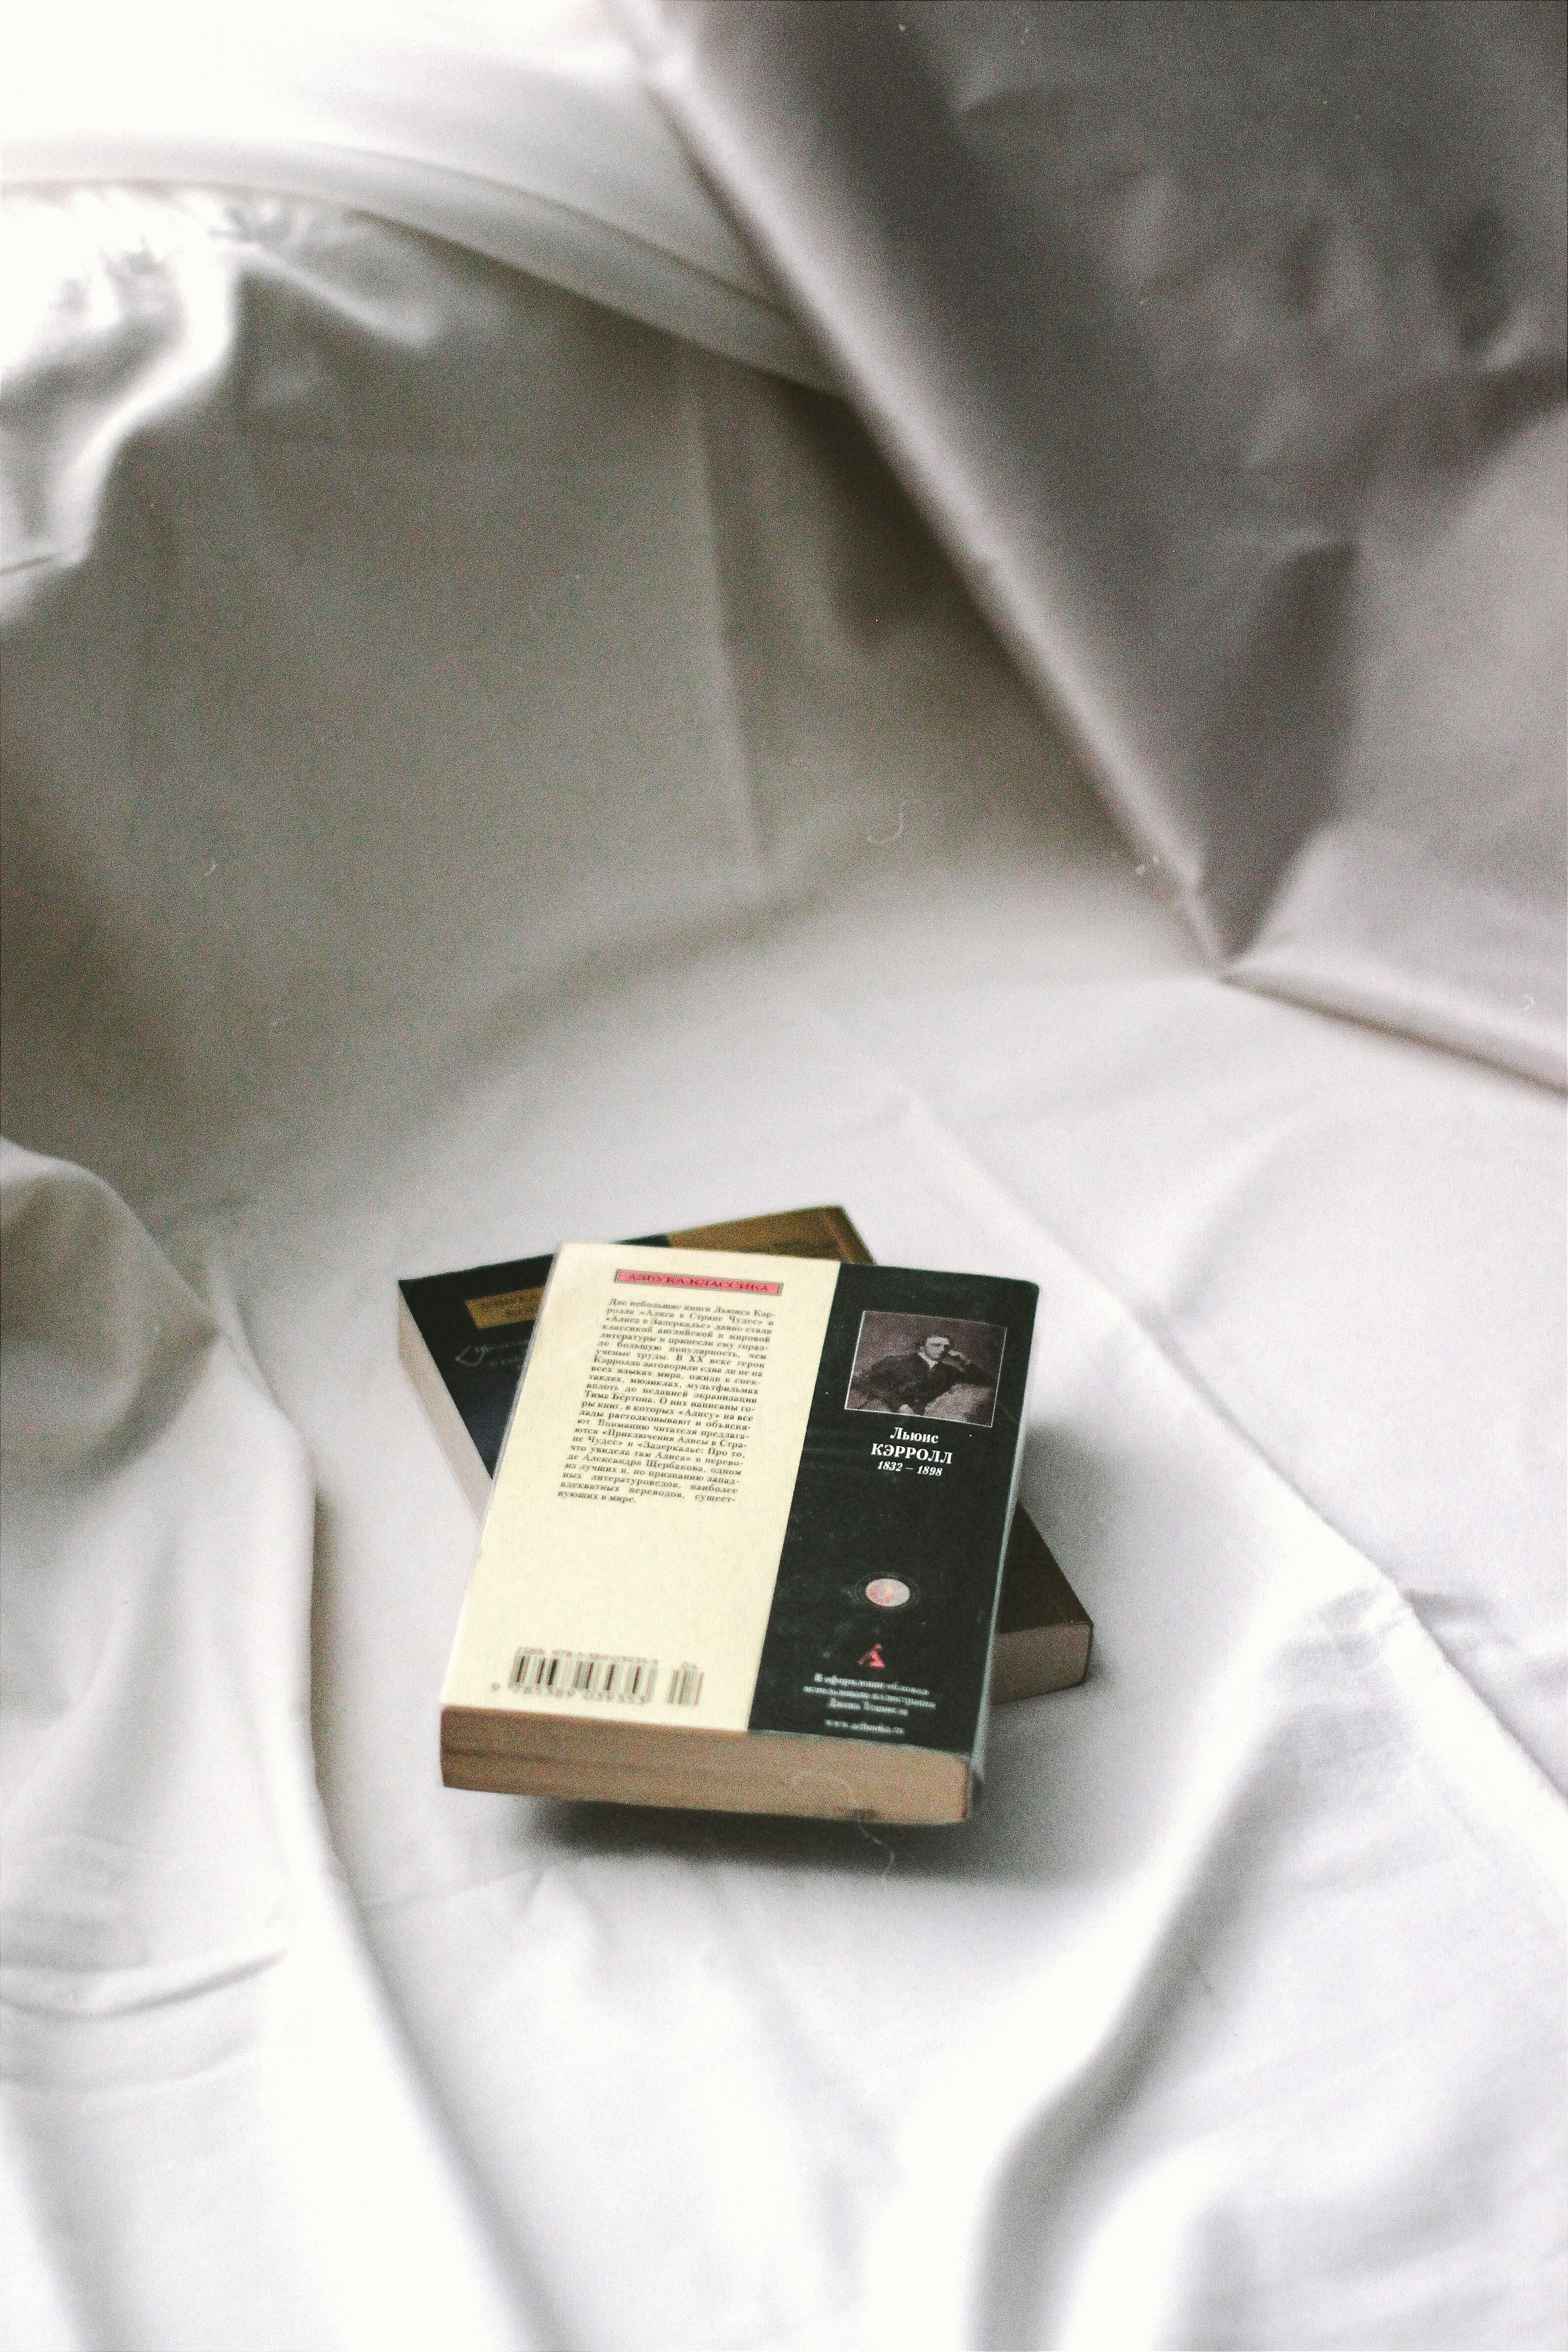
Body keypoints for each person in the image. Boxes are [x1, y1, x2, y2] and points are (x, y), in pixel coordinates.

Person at [851, 1329, 992, 1417]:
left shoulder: (949, 1372)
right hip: (885, 1409)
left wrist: (964, 1361)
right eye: (936, 1345)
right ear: (922, 1347)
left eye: (946, 1347)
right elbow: (870, 1380)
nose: (943, 1350)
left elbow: (987, 1381)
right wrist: (900, 1406)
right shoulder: (897, 1361)